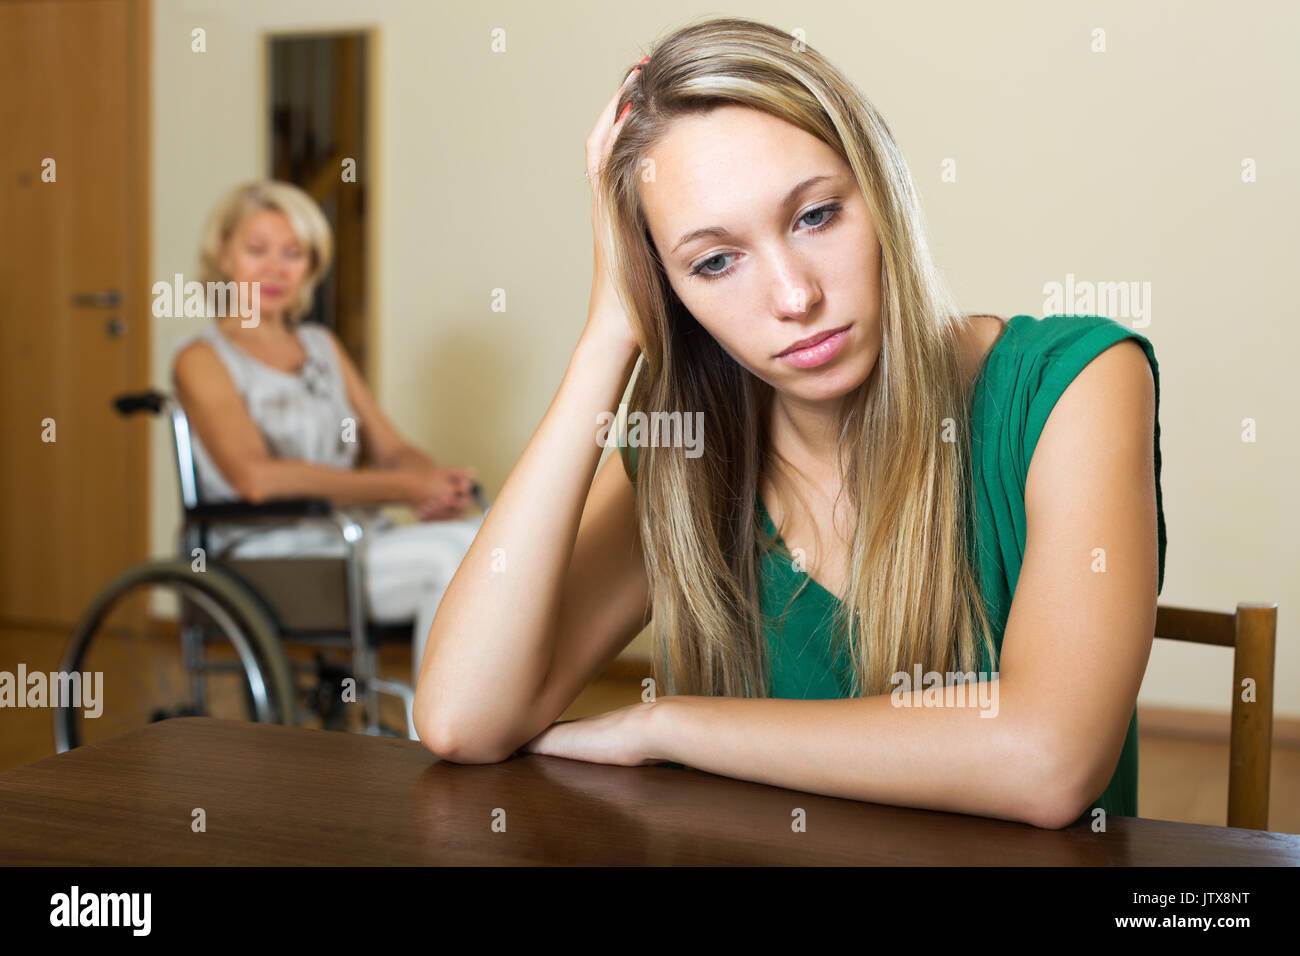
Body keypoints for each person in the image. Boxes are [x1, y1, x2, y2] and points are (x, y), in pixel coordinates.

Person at [414, 17, 1165, 830]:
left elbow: (1046, 760)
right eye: (713, 261)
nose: (794, 296)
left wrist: (670, 723)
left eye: (814, 217)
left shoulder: (1076, 380)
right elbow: (462, 717)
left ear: (882, 191)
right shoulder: (687, 454)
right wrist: (607, 338)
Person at [171, 180, 485, 700]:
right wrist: (398, 487)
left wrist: (428, 482)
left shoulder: (320, 346)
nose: (275, 268)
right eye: (257, 250)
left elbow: (390, 448)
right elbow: (256, 479)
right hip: (263, 552)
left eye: (293, 254)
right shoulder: (201, 359)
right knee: (450, 558)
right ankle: (437, 729)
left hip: (349, 537)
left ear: (310, 267)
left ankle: (480, 722)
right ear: (224, 254)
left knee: (486, 536)